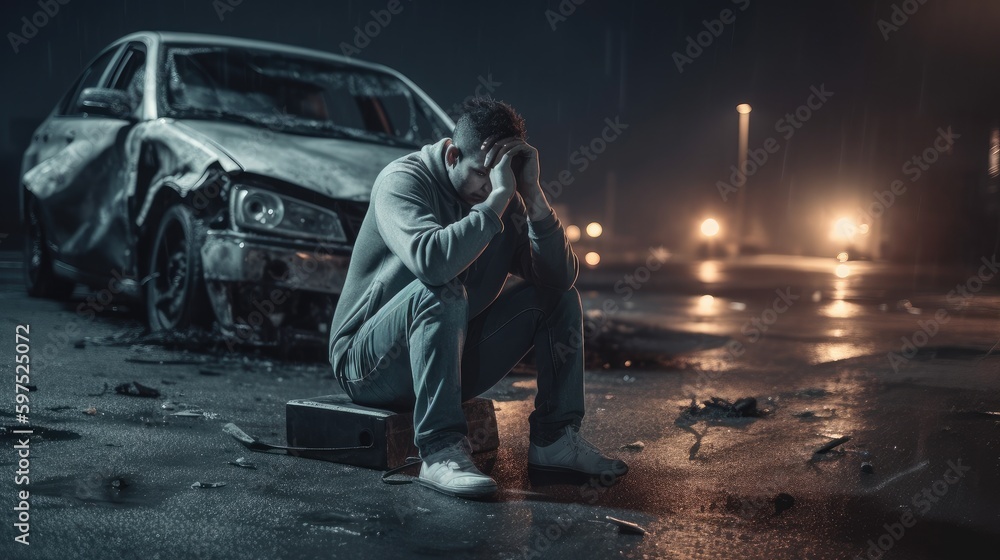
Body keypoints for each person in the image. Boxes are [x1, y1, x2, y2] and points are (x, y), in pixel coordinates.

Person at [328, 98, 627, 499]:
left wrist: (534, 198)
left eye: (500, 179)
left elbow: (560, 277)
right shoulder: (402, 181)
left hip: (444, 357)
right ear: (452, 155)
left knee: (558, 299)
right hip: (367, 365)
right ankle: (440, 453)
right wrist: (496, 201)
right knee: (444, 289)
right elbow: (432, 265)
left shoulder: (506, 200)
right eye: (482, 175)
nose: (490, 188)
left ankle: (555, 440)